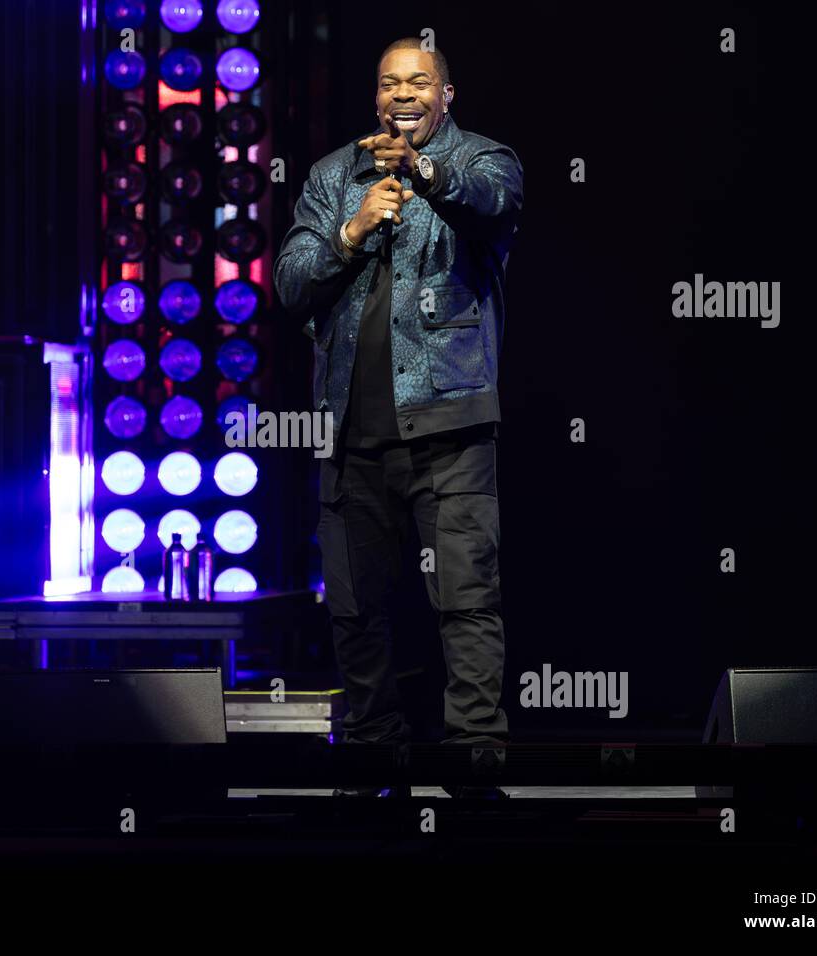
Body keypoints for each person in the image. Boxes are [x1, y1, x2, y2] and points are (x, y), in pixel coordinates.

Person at [274, 37, 524, 797]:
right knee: (355, 612)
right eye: (389, 84)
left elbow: (491, 204)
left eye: (420, 82)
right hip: (353, 434)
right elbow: (289, 283)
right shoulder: (331, 176)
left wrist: (423, 171)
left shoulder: (484, 160)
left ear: (446, 96)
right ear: (375, 98)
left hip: (450, 429)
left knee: (467, 603)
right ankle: (371, 763)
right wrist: (350, 232)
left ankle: (474, 765)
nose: (403, 94)